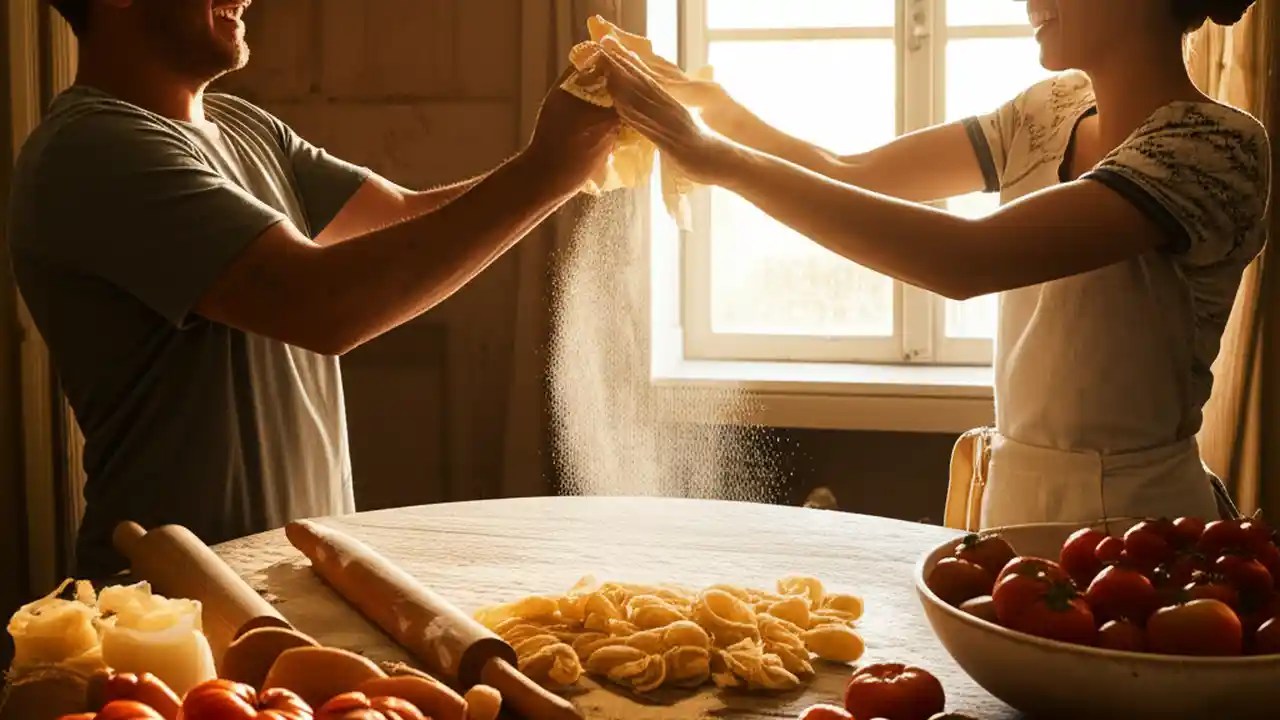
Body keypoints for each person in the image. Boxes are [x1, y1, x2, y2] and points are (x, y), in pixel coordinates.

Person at [593, 0, 1271, 527]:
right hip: (1011, 509)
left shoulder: (1215, 148)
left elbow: (965, 261)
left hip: (1142, 532)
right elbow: (853, 174)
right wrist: (721, 118)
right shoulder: (1048, 109)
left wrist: (724, 163)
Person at [7, 0, 619, 577]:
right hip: (175, 602)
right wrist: (545, 170)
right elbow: (321, 305)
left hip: (289, 581)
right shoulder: (92, 150)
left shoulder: (244, 126)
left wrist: (579, 165)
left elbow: (405, 221)